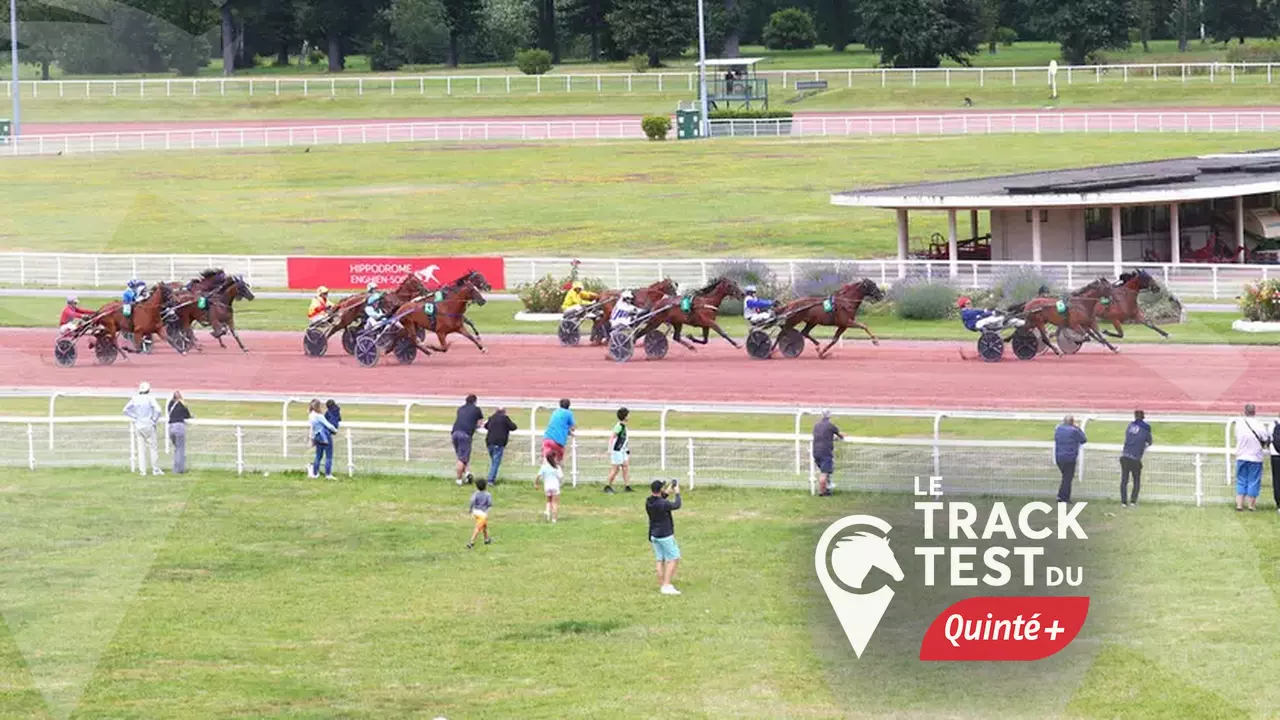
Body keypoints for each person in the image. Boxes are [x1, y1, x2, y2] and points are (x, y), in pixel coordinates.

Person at [647, 479, 683, 596]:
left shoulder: (649, 501)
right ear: (660, 490)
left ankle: (662, 583)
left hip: (654, 534)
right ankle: (666, 585)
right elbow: (677, 505)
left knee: (660, 559)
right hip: (665, 535)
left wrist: (668, 491)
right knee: (674, 558)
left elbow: (661, 499)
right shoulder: (663, 504)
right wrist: (677, 493)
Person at [1235, 403, 1271, 512]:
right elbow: (1266, 438)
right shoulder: (1259, 425)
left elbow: (1237, 437)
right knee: (1253, 481)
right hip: (1255, 457)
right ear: (1254, 412)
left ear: (1245, 412)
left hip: (1241, 456)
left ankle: (1239, 505)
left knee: (1241, 480)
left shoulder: (1239, 424)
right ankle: (1251, 505)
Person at [123, 381, 163, 476]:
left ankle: (143, 471)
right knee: (153, 448)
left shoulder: (135, 398)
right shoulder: (150, 398)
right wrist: (154, 420)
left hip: (138, 425)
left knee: (141, 449)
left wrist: (135, 417)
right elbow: (158, 410)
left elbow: (125, 410)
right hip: (148, 425)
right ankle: (155, 469)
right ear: (148, 390)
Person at [1120, 410, 1152, 508]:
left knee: (1124, 480)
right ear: (1143, 417)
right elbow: (1149, 441)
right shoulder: (1146, 428)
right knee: (1136, 480)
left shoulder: (1130, 426)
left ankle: (1124, 502)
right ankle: (1133, 501)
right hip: (1135, 458)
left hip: (1125, 456)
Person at [452, 394, 485, 486]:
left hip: (455, 433)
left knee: (462, 456)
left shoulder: (460, 409)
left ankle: (467, 474)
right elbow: (480, 423)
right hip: (465, 434)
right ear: (475, 401)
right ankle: (458, 480)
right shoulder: (476, 409)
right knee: (462, 459)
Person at [1053, 415, 1087, 503]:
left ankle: (1061, 495)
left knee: (1065, 477)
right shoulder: (1074, 430)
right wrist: (1077, 428)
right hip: (1069, 458)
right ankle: (1063, 498)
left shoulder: (1058, 429)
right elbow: (1083, 439)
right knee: (1067, 478)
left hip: (1059, 457)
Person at [813, 410, 845, 497]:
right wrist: (842, 436)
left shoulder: (816, 425)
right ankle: (822, 492)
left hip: (815, 451)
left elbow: (822, 437)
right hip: (825, 452)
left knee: (825, 472)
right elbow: (840, 436)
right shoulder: (831, 426)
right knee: (824, 472)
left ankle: (827, 489)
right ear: (829, 416)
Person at [484, 406, 518, 485]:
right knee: (495, 462)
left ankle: (491, 477)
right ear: (504, 412)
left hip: (489, 442)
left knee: (494, 461)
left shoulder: (491, 418)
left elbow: (486, 426)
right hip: (499, 443)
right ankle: (490, 480)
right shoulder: (505, 418)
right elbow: (513, 427)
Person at [308, 399, 338, 480]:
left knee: (318, 456)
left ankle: (315, 474)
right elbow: (329, 425)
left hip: (317, 437)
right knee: (328, 456)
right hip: (325, 437)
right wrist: (335, 430)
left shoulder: (311, 415)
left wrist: (311, 439)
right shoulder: (319, 416)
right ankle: (328, 474)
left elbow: (311, 428)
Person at [605, 407, 632, 493]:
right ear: (625, 417)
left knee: (626, 467)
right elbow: (612, 437)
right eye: (628, 415)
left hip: (623, 451)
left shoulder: (623, 426)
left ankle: (627, 486)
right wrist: (609, 449)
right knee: (615, 469)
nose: (629, 416)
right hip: (617, 451)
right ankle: (607, 486)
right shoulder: (619, 426)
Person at [542, 398, 576, 465]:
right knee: (558, 460)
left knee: (546, 459)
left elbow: (559, 425)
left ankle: (545, 469)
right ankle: (558, 469)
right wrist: (570, 432)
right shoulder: (568, 413)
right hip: (557, 441)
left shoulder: (555, 412)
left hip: (547, 438)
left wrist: (567, 431)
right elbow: (573, 427)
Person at [166, 390, 191, 474]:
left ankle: (176, 468)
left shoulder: (170, 404)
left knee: (177, 448)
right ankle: (179, 470)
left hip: (171, 427)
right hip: (179, 427)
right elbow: (187, 415)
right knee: (180, 449)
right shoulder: (182, 404)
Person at [466, 478, 494, 549]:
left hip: (475, 512)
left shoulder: (475, 494)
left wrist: (470, 509)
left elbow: (472, 501)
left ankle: (486, 539)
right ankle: (471, 542)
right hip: (483, 514)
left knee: (484, 526)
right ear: (485, 486)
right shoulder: (488, 495)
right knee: (478, 528)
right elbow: (490, 504)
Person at [535, 453, 563, 523]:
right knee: (555, 503)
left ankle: (547, 512)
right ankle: (554, 519)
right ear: (554, 458)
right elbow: (560, 477)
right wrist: (560, 483)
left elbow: (538, 476)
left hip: (547, 487)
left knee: (548, 500)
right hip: (555, 486)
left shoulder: (544, 467)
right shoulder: (557, 467)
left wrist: (536, 484)